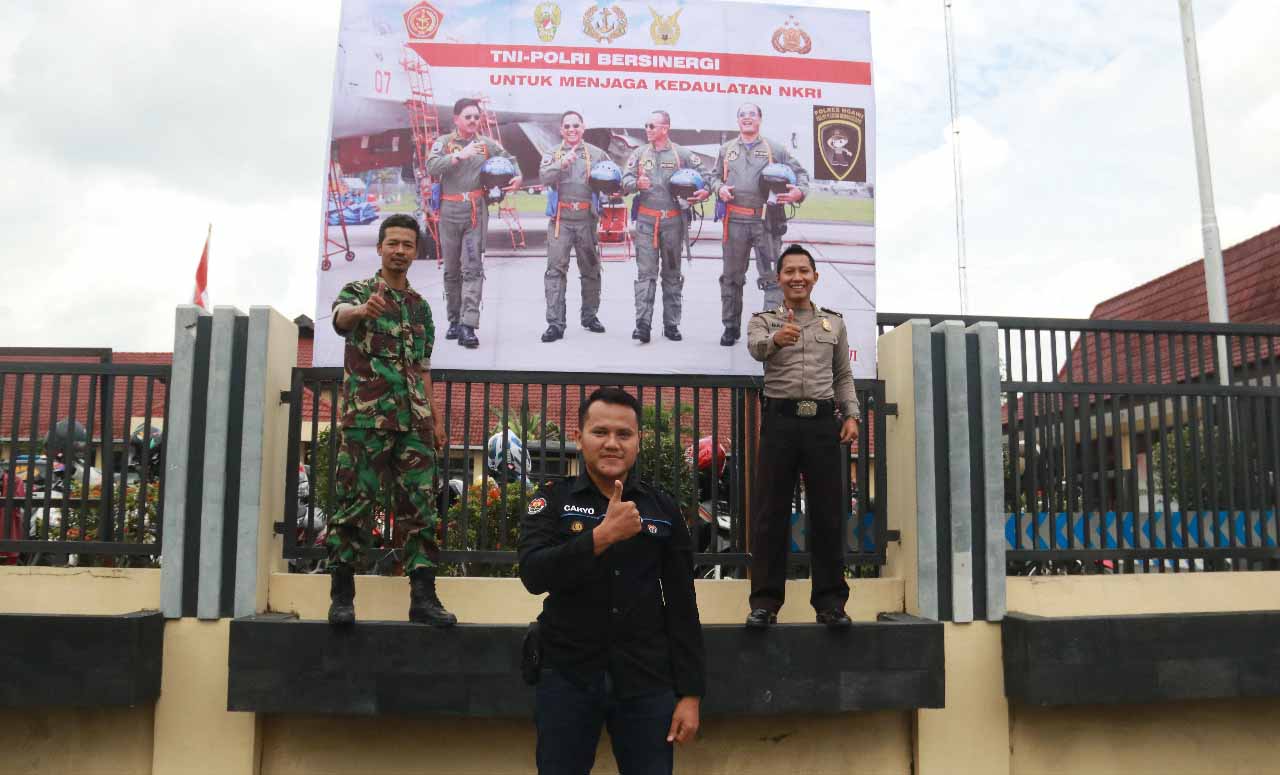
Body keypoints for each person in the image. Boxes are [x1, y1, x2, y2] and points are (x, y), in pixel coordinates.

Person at [519, 387, 704, 775]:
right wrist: (600, 538)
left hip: (646, 682)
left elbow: (683, 605)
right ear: (579, 438)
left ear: (638, 442)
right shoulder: (551, 501)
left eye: (624, 434)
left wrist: (690, 694)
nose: (611, 444)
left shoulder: (662, 508)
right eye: (600, 432)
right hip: (567, 676)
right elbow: (534, 574)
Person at [325, 213, 456, 628]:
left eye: (408, 245)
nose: (400, 251)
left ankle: (423, 598)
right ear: (380, 247)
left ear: (416, 252)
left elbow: (423, 367)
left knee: (421, 511)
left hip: (414, 425)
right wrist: (363, 310)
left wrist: (435, 419)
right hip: (367, 421)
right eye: (393, 243)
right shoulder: (359, 291)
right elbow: (340, 317)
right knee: (353, 507)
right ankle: (342, 597)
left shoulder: (420, 308)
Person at [744, 244, 859, 630]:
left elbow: (843, 375)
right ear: (778, 278)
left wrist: (852, 415)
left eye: (804, 271)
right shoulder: (763, 320)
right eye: (789, 271)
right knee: (770, 515)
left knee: (827, 514)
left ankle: (830, 604)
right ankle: (764, 603)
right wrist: (777, 340)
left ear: (814, 277)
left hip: (822, 424)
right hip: (780, 422)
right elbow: (755, 350)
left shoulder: (834, 323)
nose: (797, 277)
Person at [706, 103, 810, 347]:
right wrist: (719, 188)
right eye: (742, 115)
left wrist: (799, 192)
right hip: (734, 223)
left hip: (766, 222)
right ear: (738, 120)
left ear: (760, 119)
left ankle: (769, 333)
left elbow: (802, 174)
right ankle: (730, 328)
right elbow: (712, 177)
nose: (747, 118)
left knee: (773, 278)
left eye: (752, 114)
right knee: (731, 278)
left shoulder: (775, 149)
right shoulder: (726, 150)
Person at [425, 98, 523, 350]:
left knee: (472, 267)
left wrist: (518, 175)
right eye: (467, 116)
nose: (472, 121)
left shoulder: (486, 144)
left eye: (476, 117)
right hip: (449, 211)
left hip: (474, 213)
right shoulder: (443, 143)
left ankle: (469, 325)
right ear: (456, 119)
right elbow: (431, 166)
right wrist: (459, 156)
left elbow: (510, 159)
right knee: (451, 270)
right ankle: (454, 321)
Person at [621, 110, 709, 344]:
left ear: (665, 128)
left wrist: (703, 192)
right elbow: (623, 181)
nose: (647, 129)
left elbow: (707, 177)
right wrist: (634, 184)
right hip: (647, 222)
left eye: (652, 125)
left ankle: (671, 324)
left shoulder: (682, 154)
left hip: (673, 222)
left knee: (672, 274)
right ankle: (643, 324)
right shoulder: (639, 154)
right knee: (645, 274)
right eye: (646, 125)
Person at [539, 110, 609, 343]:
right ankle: (555, 323)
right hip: (561, 222)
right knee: (555, 272)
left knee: (591, 270)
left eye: (575, 125)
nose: (571, 130)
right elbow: (544, 177)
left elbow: (613, 181)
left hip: (586, 221)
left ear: (583, 127)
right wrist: (561, 163)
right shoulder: (552, 153)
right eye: (567, 126)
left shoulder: (597, 154)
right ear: (561, 130)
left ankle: (590, 316)